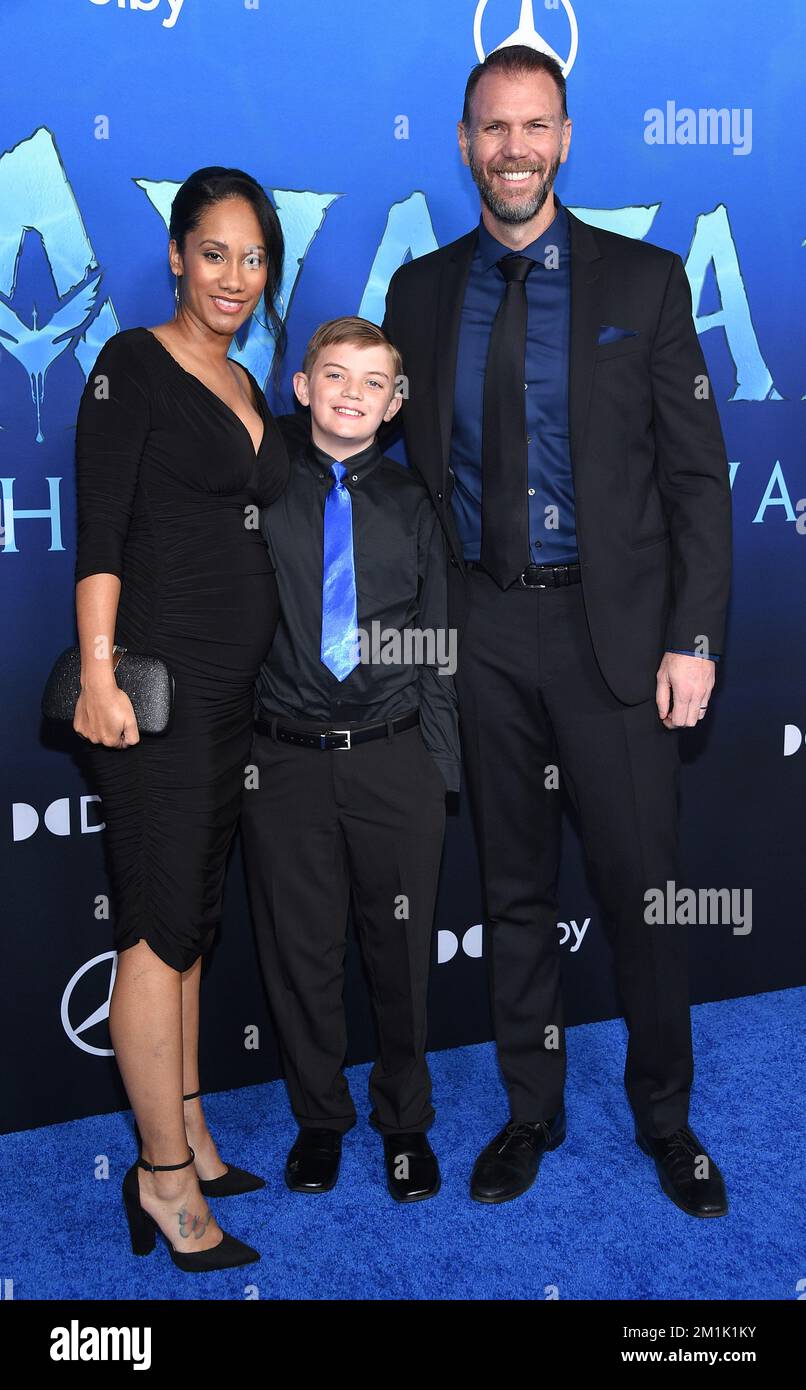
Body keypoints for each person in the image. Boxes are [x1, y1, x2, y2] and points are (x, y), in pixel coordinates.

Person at [381, 47, 733, 1215]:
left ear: (565, 139)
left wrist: (692, 638)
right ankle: (530, 1111)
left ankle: (665, 1118)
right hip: (478, 631)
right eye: (493, 127)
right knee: (513, 889)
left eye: (534, 126)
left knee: (642, 893)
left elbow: (696, 484)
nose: (513, 148)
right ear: (462, 142)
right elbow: (389, 469)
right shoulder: (419, 294)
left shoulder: (645, 283)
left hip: (613, 637)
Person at [73, 167, 289, 1270]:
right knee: (157, 937)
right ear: (174, 256)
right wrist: (99, 674)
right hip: (156, 693)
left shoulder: (246, 380)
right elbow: (101, 533)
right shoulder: (130, 365)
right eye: (214, 253)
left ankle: (191, 1130)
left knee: (191, 925)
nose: (234, 277)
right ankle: (161, 1181)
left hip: (232, 699)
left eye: (253, 258)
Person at [240, 317, 460, 1202]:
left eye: (373, 383)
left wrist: (436, 771)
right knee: (301, 954)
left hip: (392, 758)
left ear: (395, 404)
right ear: (302, 388)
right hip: (283, 760)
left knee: (400, 954)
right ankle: (319, 1121)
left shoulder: (414, 505)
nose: (352, 394)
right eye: (334, 376)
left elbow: (438, 644)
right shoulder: (260, 488)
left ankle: (405, 1123)